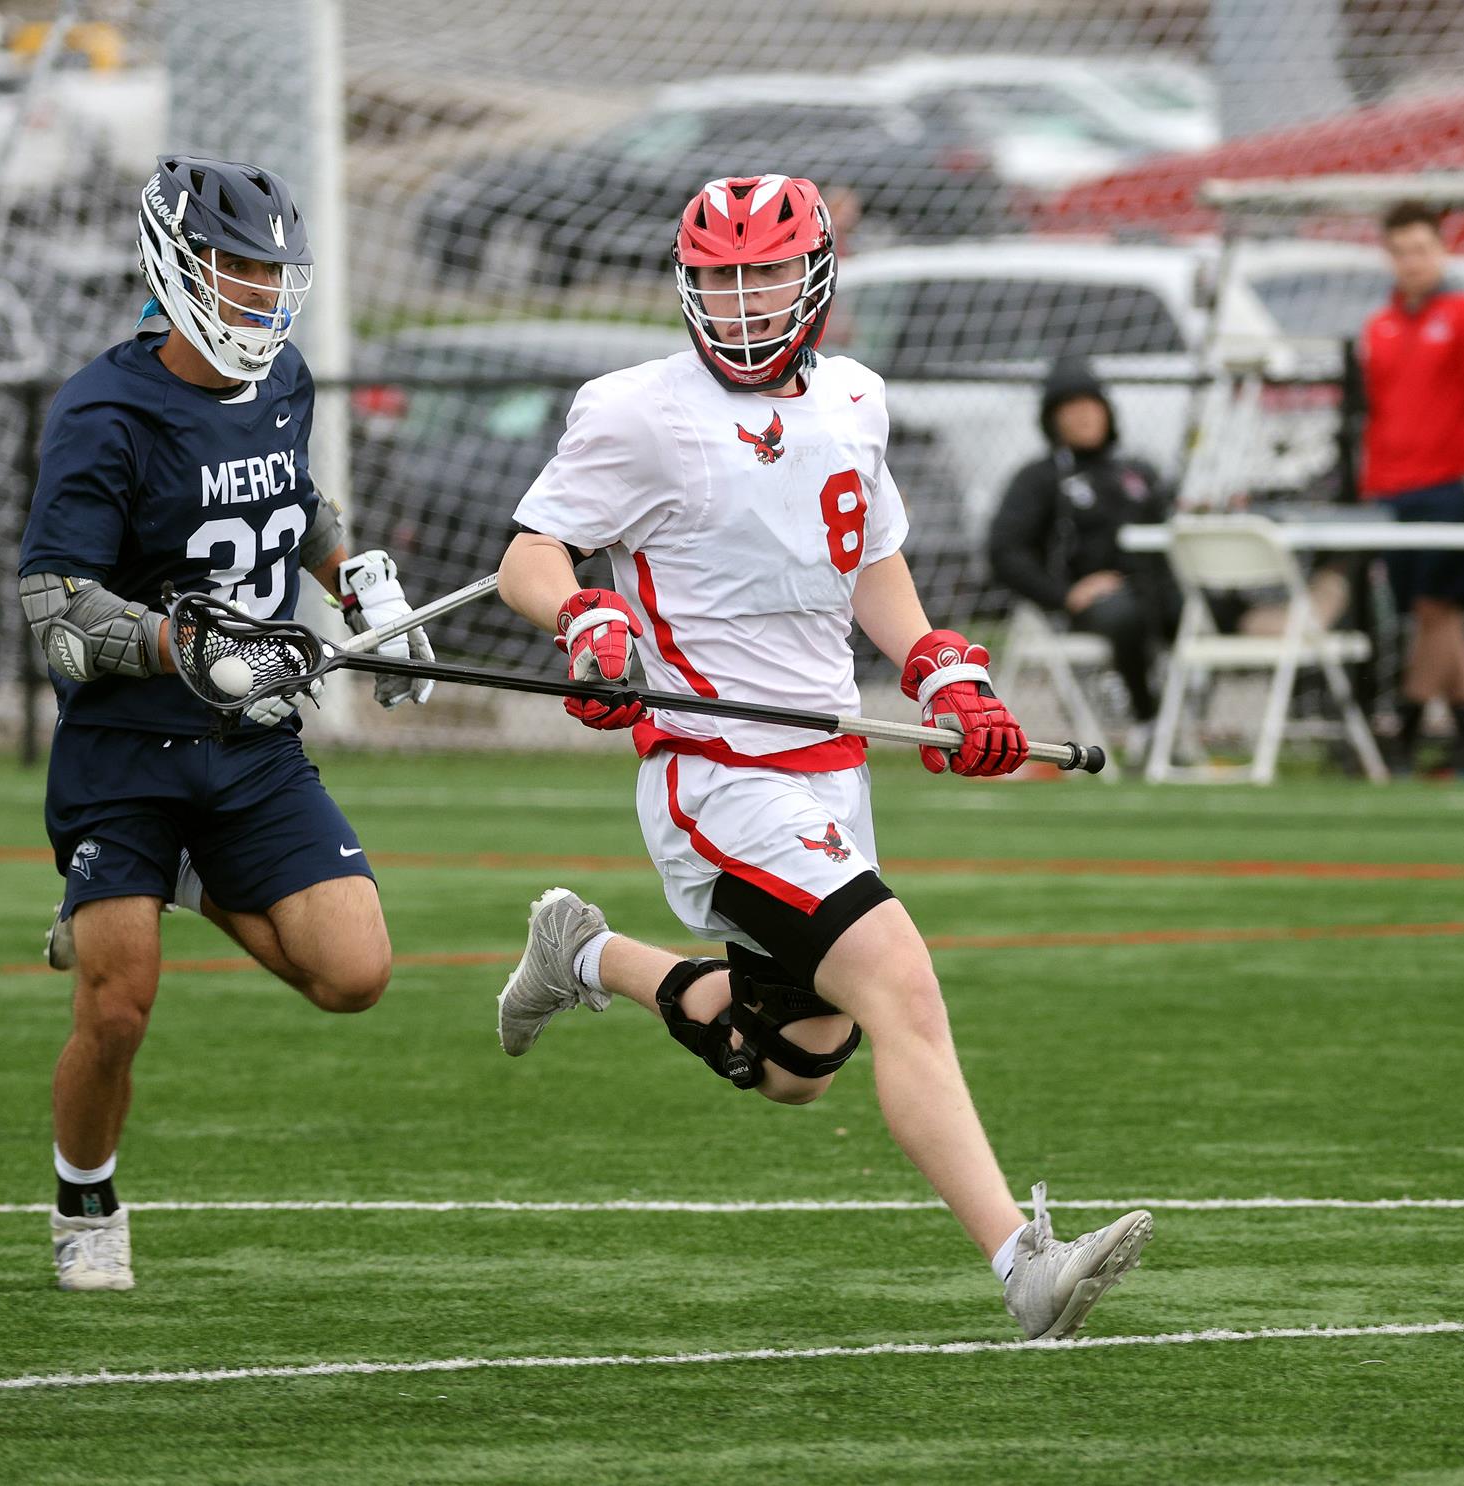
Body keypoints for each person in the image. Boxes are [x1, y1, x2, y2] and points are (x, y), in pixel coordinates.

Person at [491, 174, 1153, 1341]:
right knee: (899, 981)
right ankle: (1024, 1267)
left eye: (764, 275)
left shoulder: (854, 396)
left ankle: (584, 953)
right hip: (717, 778)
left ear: (816, 277)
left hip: (827, 773)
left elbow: (871, 565)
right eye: (719, 280)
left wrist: (943, 669)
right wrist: (585, 617)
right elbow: (529, 553)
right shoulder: (638, 411)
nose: (743, 304)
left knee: (794, 1066)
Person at [17, 155, 434, 1291]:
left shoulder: (284, 378)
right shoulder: (104, 409)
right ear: (175, 262)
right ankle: (86, 1199)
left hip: (250, 742)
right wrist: (184, 644)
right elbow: (53, 611)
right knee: (117, 1004)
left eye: (269, 268)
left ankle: (189, 881)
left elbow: (293, 504)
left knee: (354, 975)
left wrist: (365, 584)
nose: (258, 289)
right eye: (234, 265)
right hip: (126, 749)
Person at [1358, 200, 1464, 775]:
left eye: (1421, 248)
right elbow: (1378, 412)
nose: (1412, 261)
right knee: (1433, 618)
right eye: (1400, 250)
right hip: (1396, 490)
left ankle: (1407, 733)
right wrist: (1374, 481)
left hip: (1457, 486)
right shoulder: (1380, 326)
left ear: (1442, 251)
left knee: (1436, 608)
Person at [986, 357, 1178, 753]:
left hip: (1155, 588)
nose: (1084, 417)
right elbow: (1004, 551)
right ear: (1052, 419)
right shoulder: (1039, 479)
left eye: (1091, 406)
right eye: (1070, 409)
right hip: (1090, 604)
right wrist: (1064, 594)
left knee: (1204, 608)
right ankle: (1148, 718)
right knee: (1126, 615)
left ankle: (1182, 712)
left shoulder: (1138, 472)